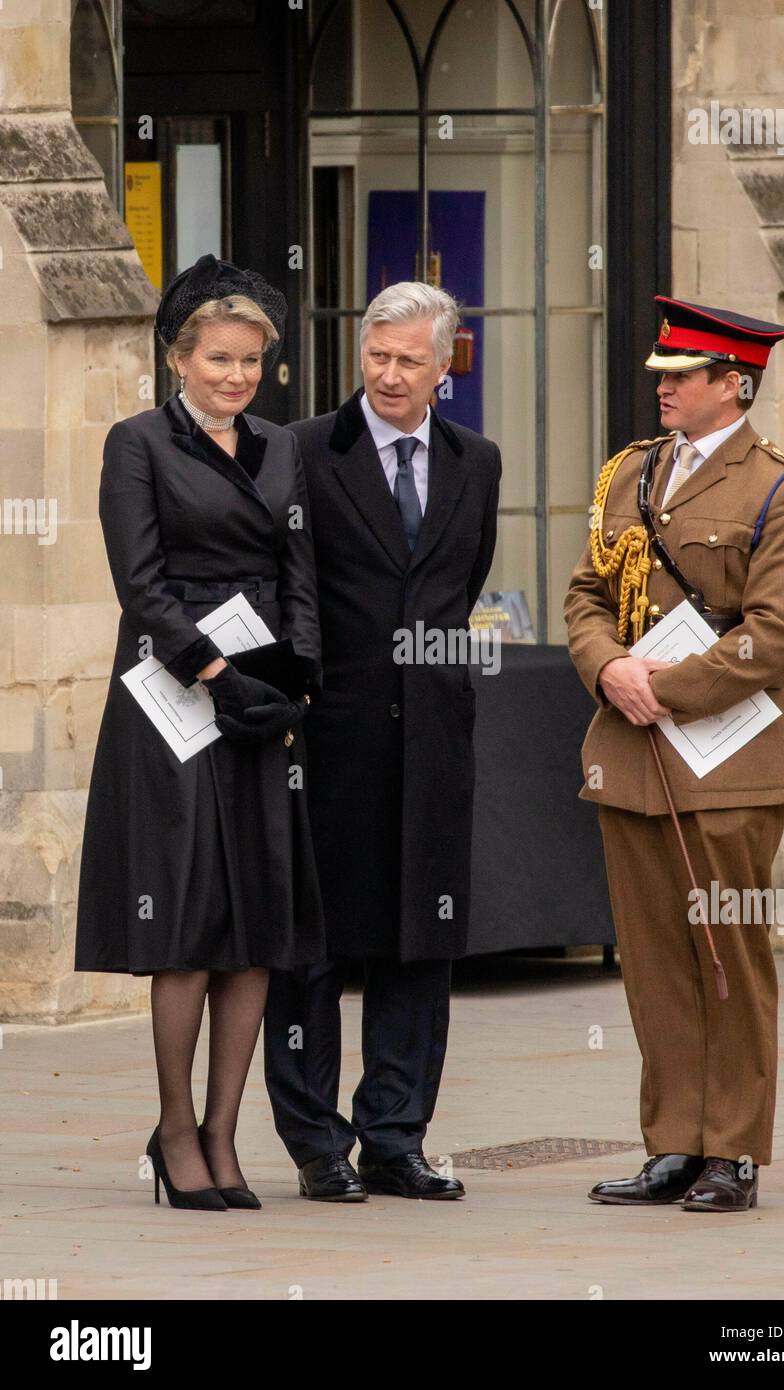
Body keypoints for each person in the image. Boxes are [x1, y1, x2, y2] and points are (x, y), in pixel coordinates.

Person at [565, 296, 784, 1212]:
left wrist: (661, 686)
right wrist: (608, 672)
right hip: (633, 753)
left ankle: (733, 1149)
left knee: (728, 951)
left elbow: (777, 634)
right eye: (663, 376)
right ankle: (673, 1141)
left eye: (682, 377)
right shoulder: (631, 473)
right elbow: (587, 594)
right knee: (654, 958)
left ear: (735, 385)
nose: (665, 390)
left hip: (730, 760)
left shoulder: (783, 487)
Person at [75, 254, 324, 1211]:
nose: (236, 377)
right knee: (184, 922)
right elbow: (139, 584)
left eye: (252, 363)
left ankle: (226, 1134)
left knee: (253, 925)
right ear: (181, 359)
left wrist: (290, 678)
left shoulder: (280, 447)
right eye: (219, 359)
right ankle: (175, 1130)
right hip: (172, 700)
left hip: (261, 700)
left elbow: (298, 570)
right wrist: (213, 673)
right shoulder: (136, 443)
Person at [264, 282, 501, 1201]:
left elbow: (459, 582)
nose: (391, 374)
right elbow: (292, 587)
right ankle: (317, 1143)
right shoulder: (305, 450)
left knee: (421, 940)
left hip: (436, 738)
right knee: (312, 951)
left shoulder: (477, 461)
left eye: (411, 361)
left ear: (446, 368)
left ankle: (396, 1138)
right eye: (378, 356)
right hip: (329, 734)